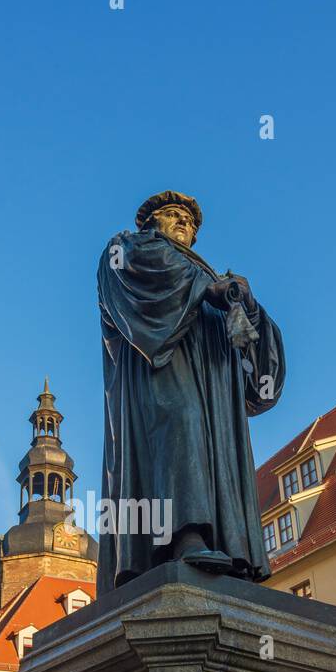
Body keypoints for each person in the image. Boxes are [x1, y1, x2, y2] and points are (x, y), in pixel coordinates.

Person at [96, 190, 285, 591]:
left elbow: (258, 367)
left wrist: (248, 307)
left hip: (215, 390)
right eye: (173, 214)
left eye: (190, 220)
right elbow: (144, 279)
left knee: (219, 451)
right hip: (161, 373)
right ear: (150, 223)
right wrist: (206, 288)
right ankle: (184, 536)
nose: (184, 222)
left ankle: (229, 548)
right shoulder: (126, 249)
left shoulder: (213, 280)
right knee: (180, 426)